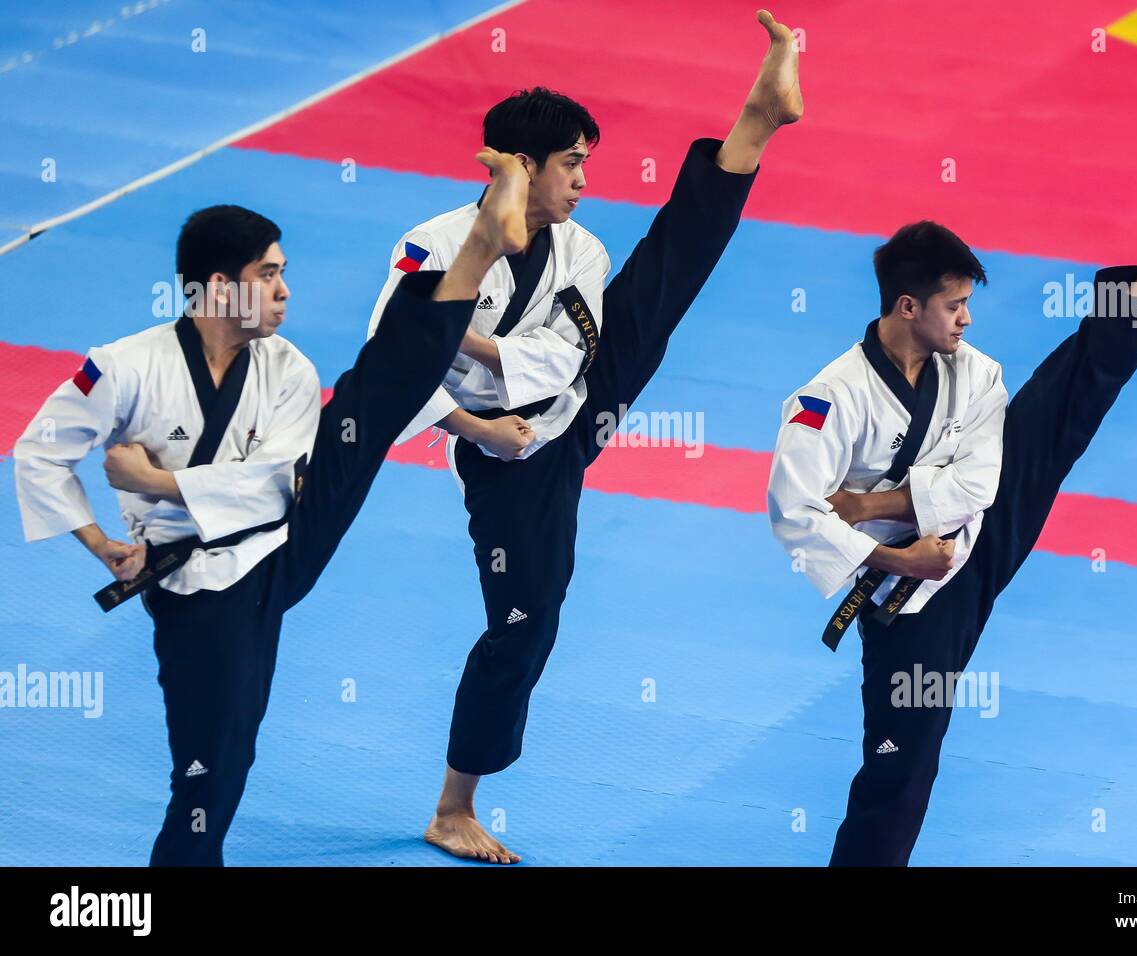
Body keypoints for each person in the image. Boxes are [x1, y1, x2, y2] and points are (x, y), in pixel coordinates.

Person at [367, 9, 803, 863]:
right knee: (527, 619)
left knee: (669, 274)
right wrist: (476, 422)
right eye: (573, 163)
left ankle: (757, 119)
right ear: (522, 166)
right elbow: (396, 365)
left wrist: (470, 343)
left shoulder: (584, 251)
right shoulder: (432, 246)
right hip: (508, 455)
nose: (584, 180)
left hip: (573, 402)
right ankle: (453, 808)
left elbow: (563, 356)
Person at [12, 149, 531, 865]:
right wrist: (99, 541)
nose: (286, 290)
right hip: (196, 586)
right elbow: (39, 452)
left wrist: (161, 484)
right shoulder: (126, 368)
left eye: (284, 272)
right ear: (220, 287)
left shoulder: (288, 367)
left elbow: (278, 484)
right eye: (270, 274)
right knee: (215, 764)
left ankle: (478, 247)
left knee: (371, 400)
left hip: (281, 543)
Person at [768, 158, 1137, 866]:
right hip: (907, 595)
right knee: (903, 762)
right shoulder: (827, 400)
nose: (967, 317)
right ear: (906, 307)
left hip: (975, 533)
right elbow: (796, 515)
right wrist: (899, 555)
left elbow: (976, 486)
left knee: (1067, 394)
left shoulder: (976, 371)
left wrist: (867, 503)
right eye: (953, 305)